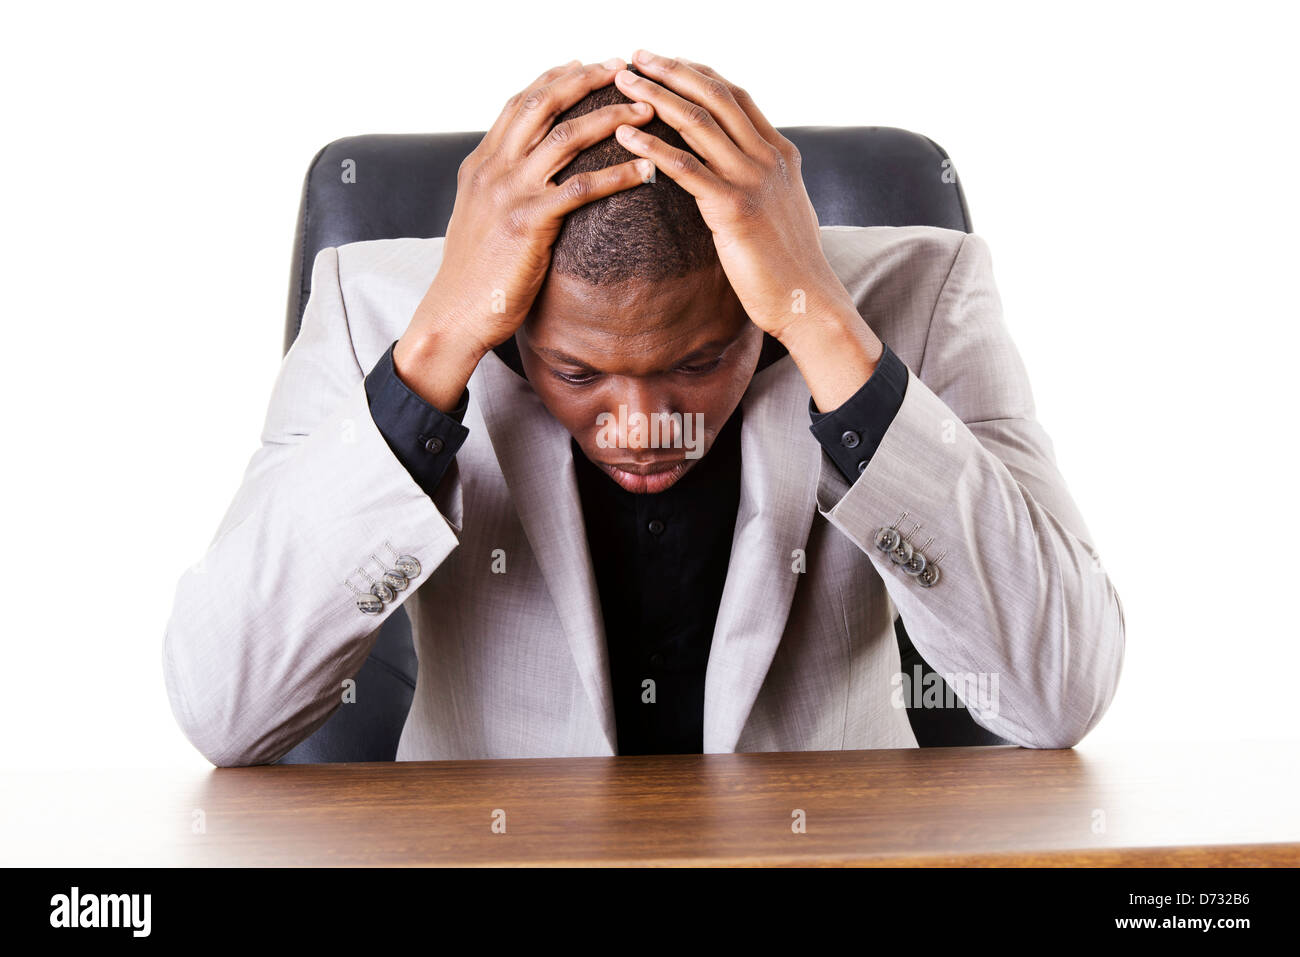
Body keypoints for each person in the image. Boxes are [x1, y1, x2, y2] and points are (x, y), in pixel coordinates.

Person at [163, 52, 1125, 767]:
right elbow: (226, 708)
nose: (640, 426)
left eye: (701, 360)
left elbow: (1062, 689)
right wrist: (437, 349)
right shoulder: (373, 309)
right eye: (579, 375)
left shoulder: (919, 297)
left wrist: (824, 322)